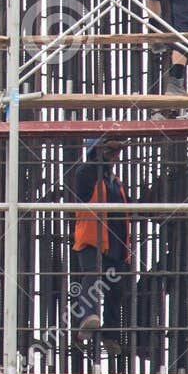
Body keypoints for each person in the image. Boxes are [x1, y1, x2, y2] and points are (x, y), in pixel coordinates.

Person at [68, 136, 133, 346]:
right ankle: (86, 320)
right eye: (109, 152)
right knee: (93, 277)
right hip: (91, 240)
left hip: (115, 246)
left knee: (116, 290)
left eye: (115, 153)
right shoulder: (85, 174)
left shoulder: (115, 183)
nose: (114, 157)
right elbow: (92, 167)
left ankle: (111, 335)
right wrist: (103, 152)